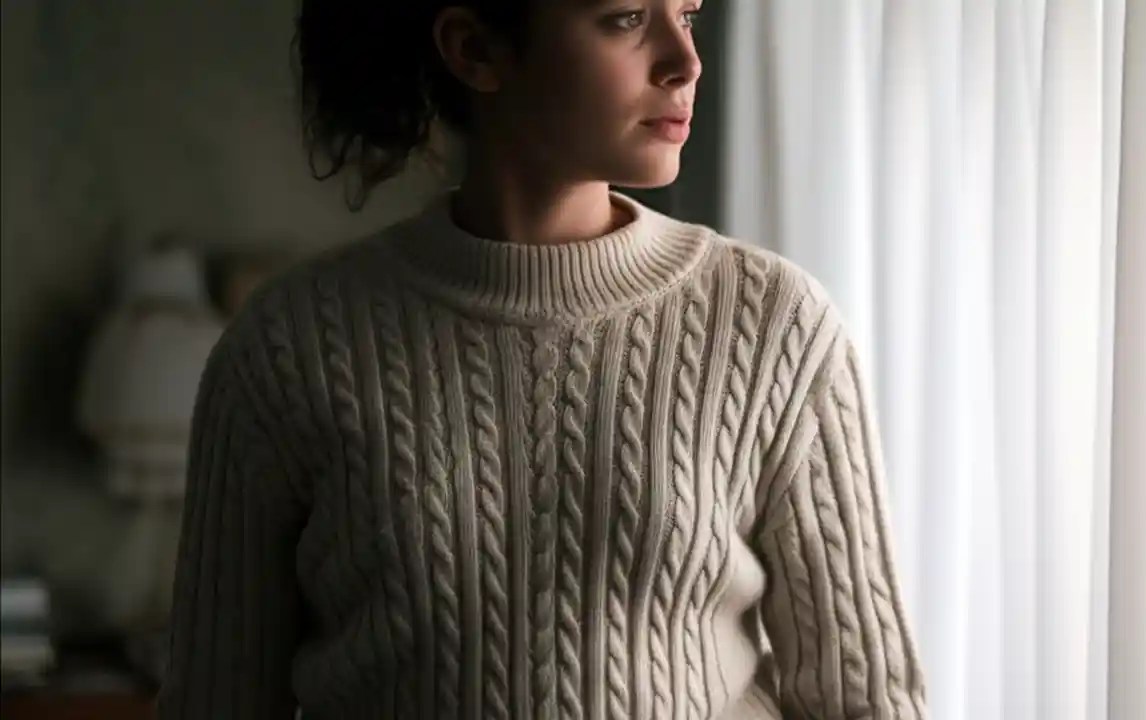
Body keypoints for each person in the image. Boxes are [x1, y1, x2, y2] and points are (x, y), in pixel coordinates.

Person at [155, 0, 928, 717]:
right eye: (626, 17)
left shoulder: (775, 325)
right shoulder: (290, 346)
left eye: (686, 12)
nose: (685, 61)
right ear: (475, 49)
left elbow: (865, 701)